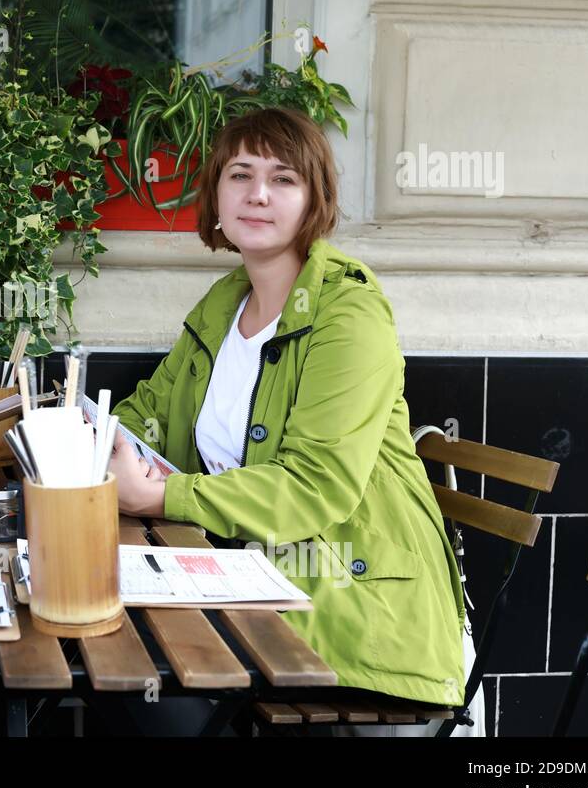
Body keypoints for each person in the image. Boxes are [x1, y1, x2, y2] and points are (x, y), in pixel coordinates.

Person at [109, 106, 481, 736]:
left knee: (148, 693)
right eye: (240, 175)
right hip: (250, 574)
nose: (258, 194)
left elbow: (315, 486)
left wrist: (161, 494)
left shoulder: (349, 313)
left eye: (284, 179)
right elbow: (145, 414)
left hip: (352, 600)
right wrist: (91, 442)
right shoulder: (227, 303)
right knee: (112, 660)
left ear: (315, 200)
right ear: (216, 197)